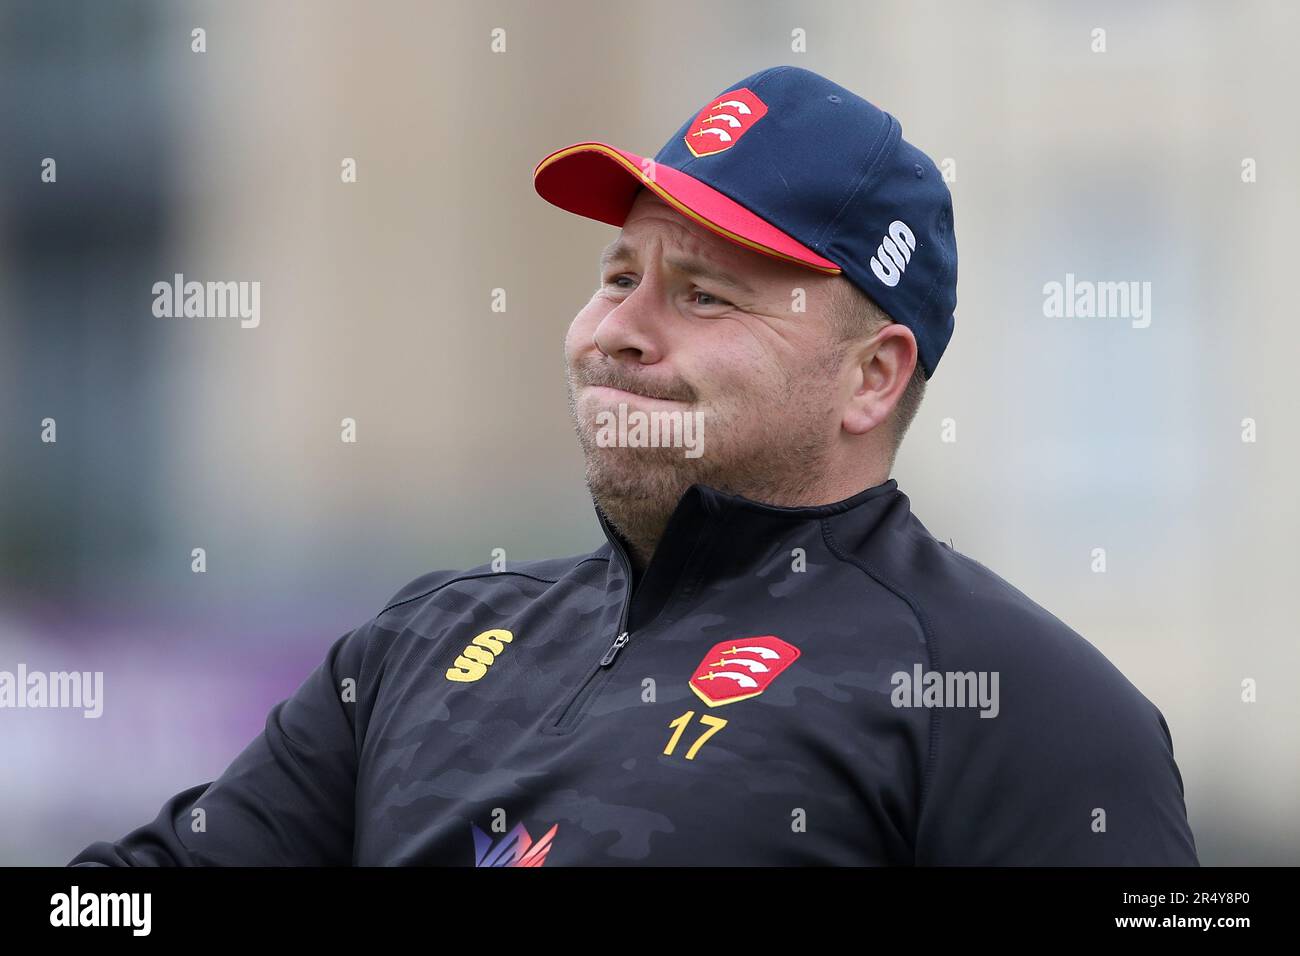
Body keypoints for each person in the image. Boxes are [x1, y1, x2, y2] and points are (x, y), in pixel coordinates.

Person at [71, 65, 1197, 866]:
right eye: (618, 277)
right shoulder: (420, 645)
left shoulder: (1015, 700)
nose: (619, 329)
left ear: (871, 375)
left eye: (702, 294)